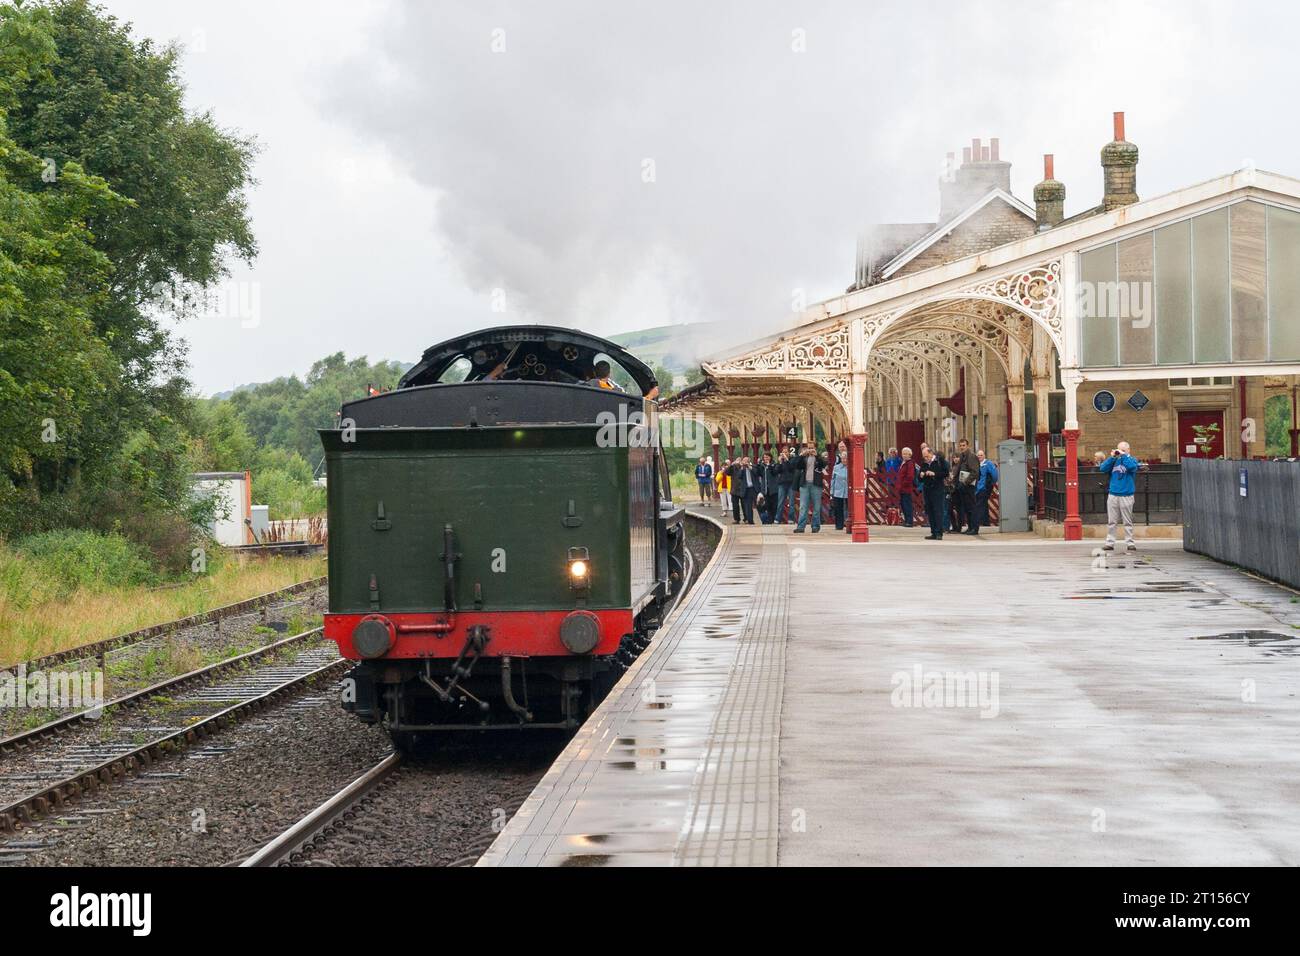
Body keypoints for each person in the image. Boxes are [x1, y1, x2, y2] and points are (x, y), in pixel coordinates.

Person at [1099, 441, 1142, 552]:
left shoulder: (1131, 459)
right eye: (1119, 449)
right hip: (1113, 494)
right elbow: (1103, 468)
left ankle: (1130, 543)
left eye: (1123, 449)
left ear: (1128, 450)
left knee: (1127, 521)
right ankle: (1110, 543)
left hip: (1126, 495)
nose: (1120, 451)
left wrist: (1123, 456)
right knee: (1112, 521)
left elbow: (1132, 467)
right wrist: (1112, 457)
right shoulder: (1114, 461)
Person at [792, 443, 827, 533]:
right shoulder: (804, 457)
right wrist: (801, 455)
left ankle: (815, 526)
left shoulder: (818, 457)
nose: (810, 449)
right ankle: (800, 527)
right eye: (809, 448)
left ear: (815, 448)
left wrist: (817, 455)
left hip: (816, 484)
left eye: (812, 448)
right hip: (805, 484)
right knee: (803, 506)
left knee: (816, 507)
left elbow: (824, 464)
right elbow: (796, 465)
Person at [919, 447, 950, 540]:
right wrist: (921, 475)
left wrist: (934, 474)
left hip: (937, 489)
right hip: (927, 489)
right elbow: (919, 478)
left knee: (938, 511)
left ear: (931, 453)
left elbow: (945, 473)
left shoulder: (939, 461)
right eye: (924, 457)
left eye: (927, 456)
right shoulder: (924, 463)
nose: (926, 458)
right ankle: (933, 532)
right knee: (930, 511)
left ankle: (939, 532)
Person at [951, 439, 981, 533]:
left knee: (972, 507)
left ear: (967, 446)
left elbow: (975, 472)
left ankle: (974, 528)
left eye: (963, 445)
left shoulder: (971, 456)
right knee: (967, 508)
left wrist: (965, 482)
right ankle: (970, 527)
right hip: (962, 486)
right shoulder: (962, 456)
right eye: (960, 445)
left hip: (969, 486)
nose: (962, 447)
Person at [967, 449, 999, 535]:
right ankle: (973, 527)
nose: (979, 457)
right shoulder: (977, 465)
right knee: (975, 508)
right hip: (976, 490)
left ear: (984, 456)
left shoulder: (988, 464)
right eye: (978, 455)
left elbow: (995, 475)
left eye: (981, 455)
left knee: (978, 509)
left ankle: (975, 529)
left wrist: (990, 485)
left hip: (983, 489)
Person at [731, 456, 757, 524]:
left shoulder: (753, 466)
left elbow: (756, 472)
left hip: (754, 489)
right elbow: (739, 476)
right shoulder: (741, 469)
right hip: (746, 489)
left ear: (749, 461)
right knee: (748, 506)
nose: (745, 462)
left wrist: (749, 466)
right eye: (743, 461)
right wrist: (742, 468)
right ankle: (750, 521)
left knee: (759, 505)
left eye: (746, 461)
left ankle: (765, 520)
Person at [896, 446, 917, 528]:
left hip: (906, 488)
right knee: (903, 504)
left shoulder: (910, 463)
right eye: (903, 454)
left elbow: (910, 476)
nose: (904, 455)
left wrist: (903, 484)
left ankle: (910, 521)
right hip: (902, 488)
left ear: (910, 455)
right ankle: (906, 520)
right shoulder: (903, 463)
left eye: (906, 454)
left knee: (907, 504)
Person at [831, 444, 849, 531]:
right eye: (843, 458)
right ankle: (839, 525)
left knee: (849, 508)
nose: (844, 460)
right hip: (838, 490)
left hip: (848, 491)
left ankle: (849, 523)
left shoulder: (851, 468)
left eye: (846, 458)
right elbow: (833, 479)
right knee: (838, 508)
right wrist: (832, 491)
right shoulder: (836, 467)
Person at [775, 447, 795, 524]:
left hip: (791, 483)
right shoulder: (781, 461)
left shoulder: (792, 460)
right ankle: (778, 518)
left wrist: (786, 459)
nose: (784, 454)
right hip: (782, 483)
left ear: (789, 453)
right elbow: (777, 470)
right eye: (783, 452)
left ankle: (791, 519)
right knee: (780, 502)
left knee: (791, 502)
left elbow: (791, 468)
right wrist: (780, 462)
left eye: (786, 452)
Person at [757, 452, 778, 524]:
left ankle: (773, 519)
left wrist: (769, 466)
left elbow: (774, 472)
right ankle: (769, 520)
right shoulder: (762, 466)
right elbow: (758, 473)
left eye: (767, 457)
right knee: (767, 505)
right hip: (765, 489)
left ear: (770, 457)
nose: (766, 459)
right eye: (765, 457)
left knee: (774, 505)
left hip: (774, 489)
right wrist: (759, 464)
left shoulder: (774, 464)